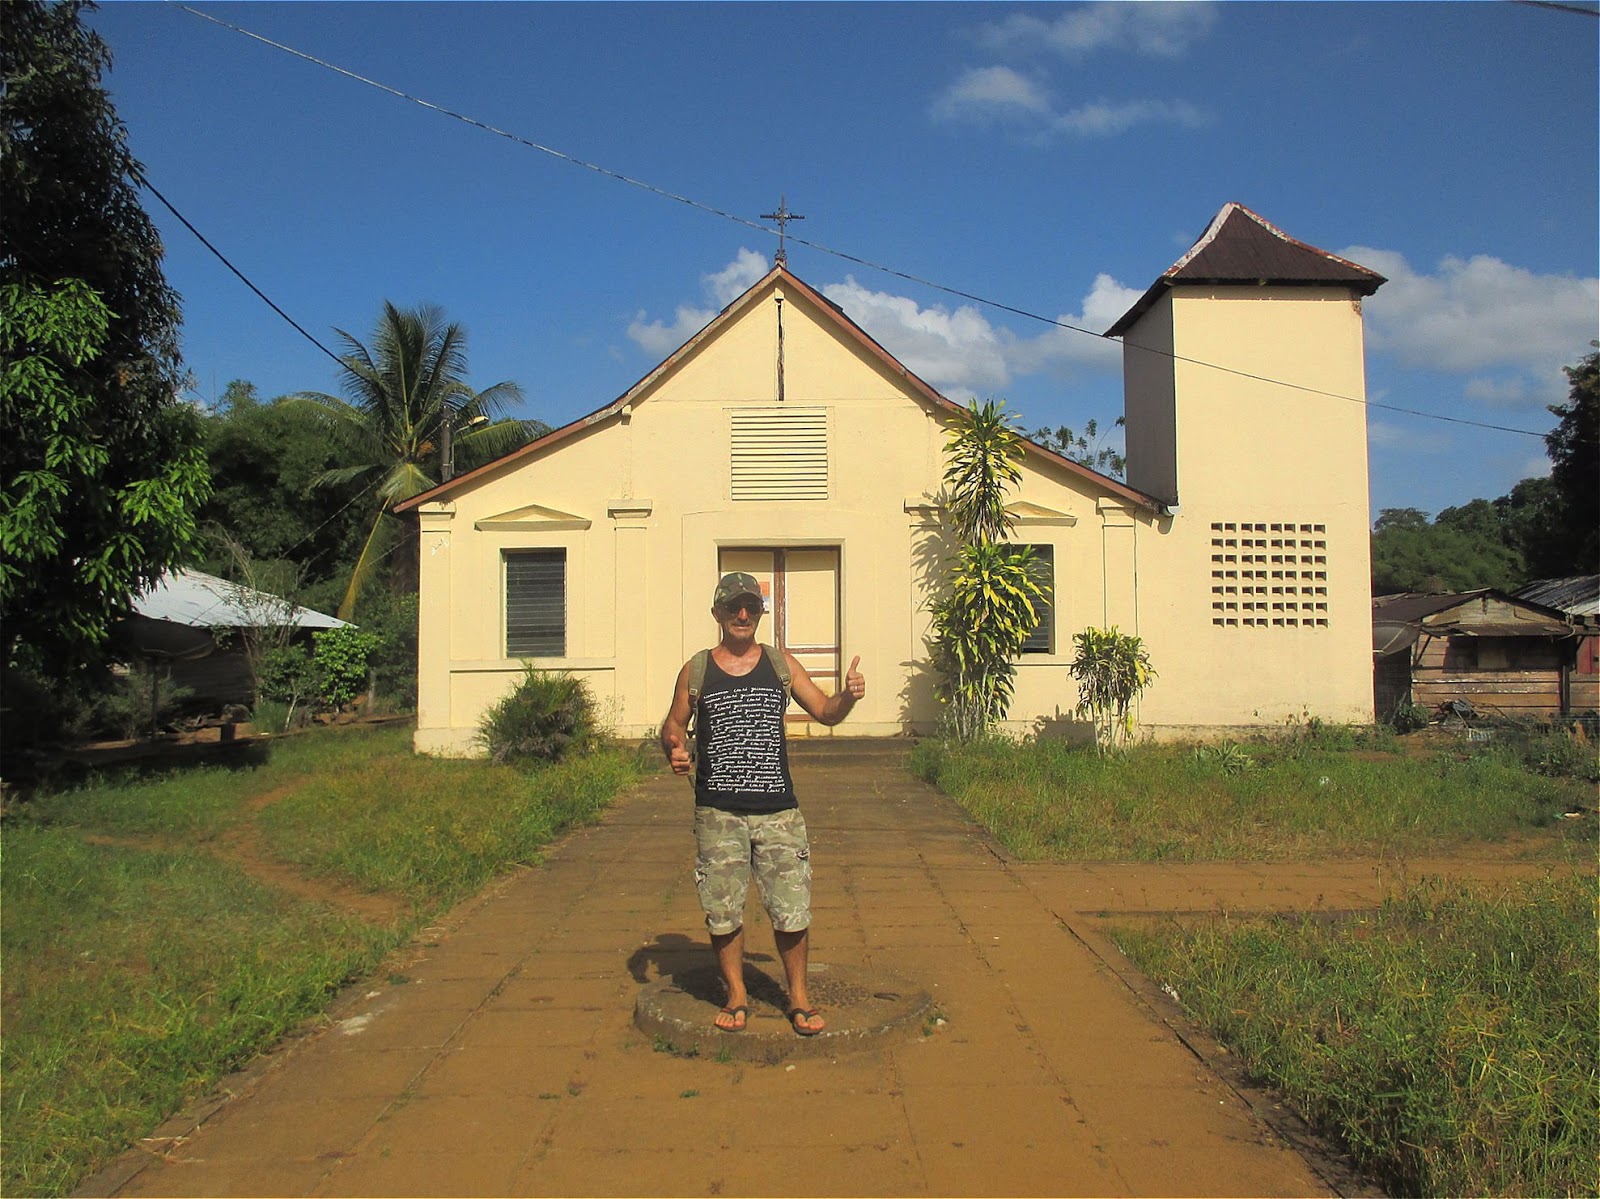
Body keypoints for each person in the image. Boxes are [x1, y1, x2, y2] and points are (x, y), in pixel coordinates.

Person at [659, 571, 866, 1036]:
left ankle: (798, 997)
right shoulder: (695, 670)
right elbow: (673, 726)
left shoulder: (780, 665)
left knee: (792, 909)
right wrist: (674, 748)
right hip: (718, 813)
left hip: (778, 813)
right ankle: (736, 994)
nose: (743, 614)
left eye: (750, 606)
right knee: (723, 908)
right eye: (733, 606)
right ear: (718, 614)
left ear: (759, 613)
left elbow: (826, 712)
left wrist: (847, 696)